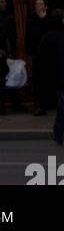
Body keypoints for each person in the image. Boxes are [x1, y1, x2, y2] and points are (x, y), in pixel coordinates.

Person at [36, 9, 64, 146]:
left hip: (57, 77)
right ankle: (58, 133)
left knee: (61, 107)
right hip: (59, 77)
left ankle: (58, 133)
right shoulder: (50, 37)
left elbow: (41, 60)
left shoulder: (47, 37)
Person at [25, 0, 54, 115]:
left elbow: (50, 34)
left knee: (51, 79)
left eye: (41, 4)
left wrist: (44, 20)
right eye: (37, 4)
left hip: (50, 55)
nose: (39, 6)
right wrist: (30, 53)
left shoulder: (50, 19)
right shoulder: (31, 20)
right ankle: (42, 105)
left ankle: (53, 103)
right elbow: (28, 37)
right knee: (39, 81)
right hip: (37, 54)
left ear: (46, 6)